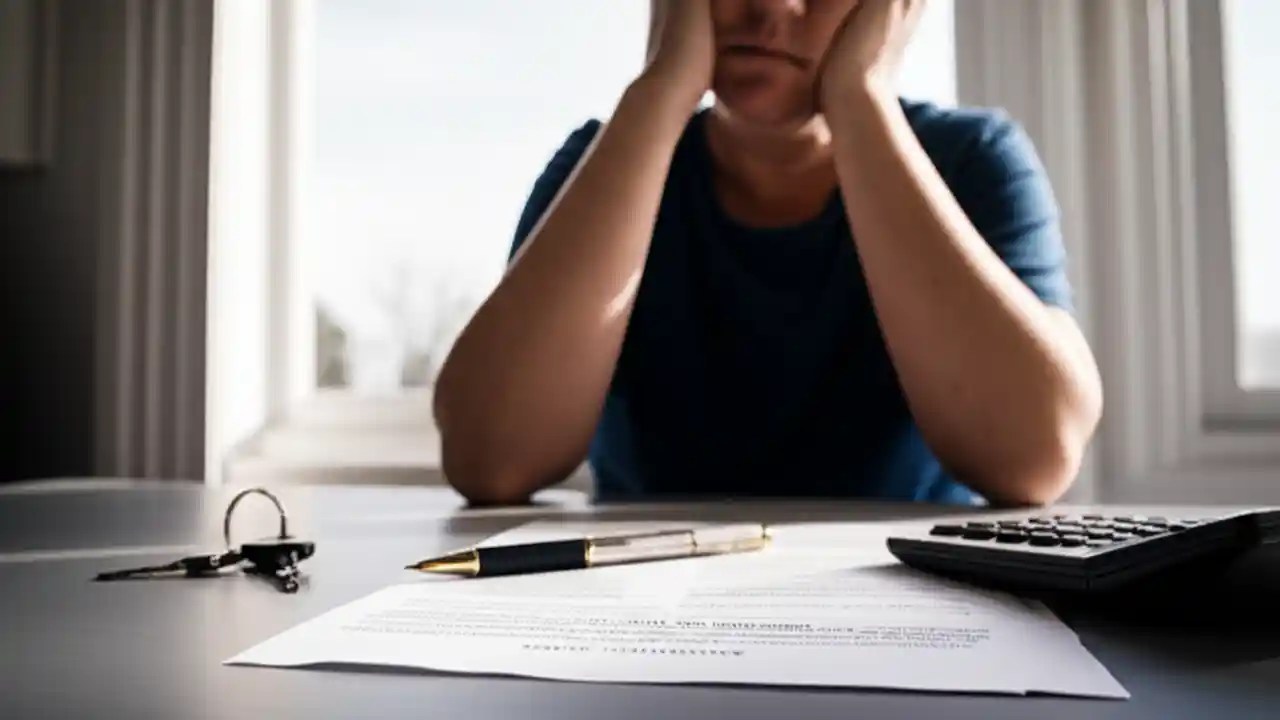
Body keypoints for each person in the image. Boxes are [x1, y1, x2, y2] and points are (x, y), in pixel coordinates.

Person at [434, 0, 1103, 507]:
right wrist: (663, 86)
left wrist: (860, 94)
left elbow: (1035, 455)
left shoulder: (971, 160)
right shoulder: (604, 162)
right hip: (644, 611)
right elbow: (490, 458)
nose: (774, 6)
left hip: (916, 612)